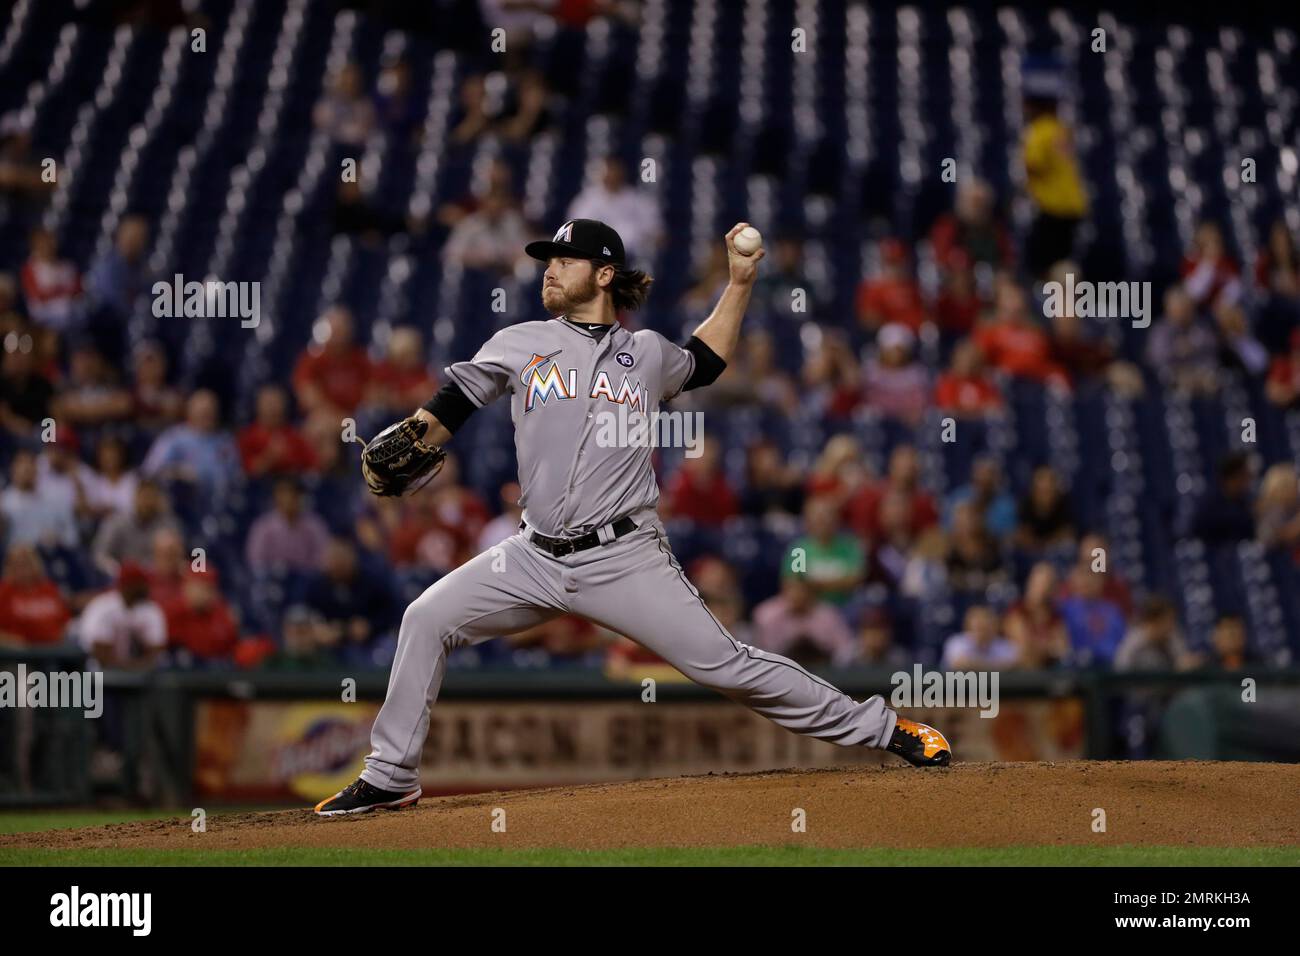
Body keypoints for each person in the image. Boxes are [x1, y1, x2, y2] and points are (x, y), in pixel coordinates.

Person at [315, 219, 951, 816]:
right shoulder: (521, 342)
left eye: (565, 260)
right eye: (547, 261)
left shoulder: (646, 353)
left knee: (725, 664)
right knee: (426, 618)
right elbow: (453, 402)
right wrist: (414, 433)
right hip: (532, 555)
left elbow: (705, 361)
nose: (550, 270)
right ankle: (391, 775)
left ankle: (887, 730)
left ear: (603, 275)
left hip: (624, 556)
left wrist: (739, 283)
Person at [1021, 90, 1088, 278]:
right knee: (1062, 262)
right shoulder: (1060, 128)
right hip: (1074, 205)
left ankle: (1048, 302)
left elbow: (1033, 165)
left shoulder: (1039, 130)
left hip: (1053, 207)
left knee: (1041, 266)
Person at [76, 561, 167, 670]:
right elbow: (101, 657)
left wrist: (134, 669)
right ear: (128, 586)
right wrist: (134, 668)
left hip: (140, 677)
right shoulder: (102, 608)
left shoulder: (150, 609)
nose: (146, 587)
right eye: (141, 583)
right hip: (97, 674)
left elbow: (156, 655)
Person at [940, 605, 1018, 670]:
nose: (982, 632)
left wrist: (975, 664)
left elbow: (1013, 664)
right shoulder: (957, 642)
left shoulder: (1004, 645)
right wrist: (995, 665)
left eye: (985, 627)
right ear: (968, 627)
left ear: (994, 627)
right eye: (978, 627)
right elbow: (960, 664)